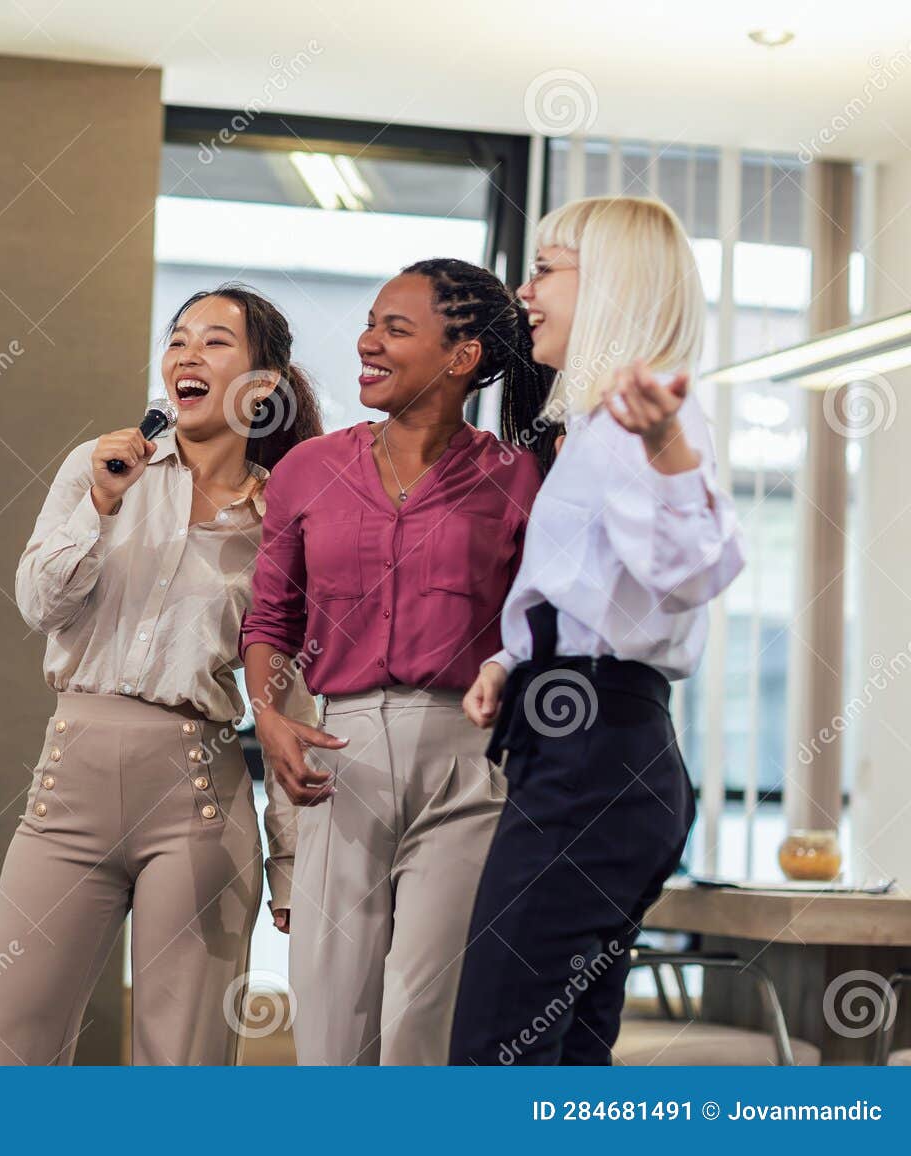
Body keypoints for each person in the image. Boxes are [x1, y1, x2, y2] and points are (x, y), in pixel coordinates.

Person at [0, 285, 320, 1065]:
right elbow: (38, 603)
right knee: (2, 1043)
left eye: (216, 342)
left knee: (182, 1058)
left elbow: (291, 697)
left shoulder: (280, 519)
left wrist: (290, 860)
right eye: (178, 339)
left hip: (196, 794)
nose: (187, 355)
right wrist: (100, 500)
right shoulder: (102, 468)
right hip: (69, 785)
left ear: (263, 385)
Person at [450, 195, 744, 1065]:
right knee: (564, 1052)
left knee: (497, 1050)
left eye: (545, 269)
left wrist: (668, 452)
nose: (522, 288)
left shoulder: (649, 421)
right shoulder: (591, 431)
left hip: (596, 760)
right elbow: (592, 595)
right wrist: (511, 662)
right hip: (580, 743)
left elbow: (697, 572)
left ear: (609, 282)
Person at [241, 258, 552, 1065]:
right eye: (371, 323)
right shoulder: (308, 470)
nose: (367, 341)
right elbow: (270, 615)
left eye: (394, 329)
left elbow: (539, 631)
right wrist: (270, 716)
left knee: (426, 1015)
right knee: (331, 1023)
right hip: (335, 755)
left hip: (469, 760)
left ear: (462, 357)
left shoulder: (518, 478)